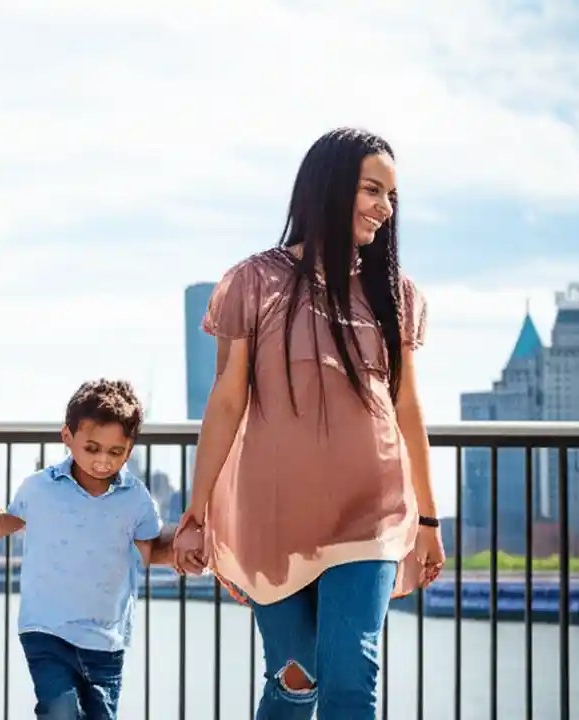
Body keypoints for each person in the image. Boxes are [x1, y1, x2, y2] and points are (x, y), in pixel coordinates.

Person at [175, 127, 445, 719]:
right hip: (275, 517)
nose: (385, 208)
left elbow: (408, 410)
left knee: (352, 674)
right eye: (373, 190)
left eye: (392, 197)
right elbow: (225, 402)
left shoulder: (393, 296)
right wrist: (196, 513)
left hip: (369, 513)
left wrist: (427, 518)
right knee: (298, 677)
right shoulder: (255, 282)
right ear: (330, 185)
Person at [0, 379, 201, 719]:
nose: (102, 460)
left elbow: (146, 549)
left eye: (115, 452)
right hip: (46, 630)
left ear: (129, 449)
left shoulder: (137, 500)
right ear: (67, 438)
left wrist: (186, 550)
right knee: (60, 711)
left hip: (105, 640)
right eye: (92, 448)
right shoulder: (39, 488)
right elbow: (14, 518)